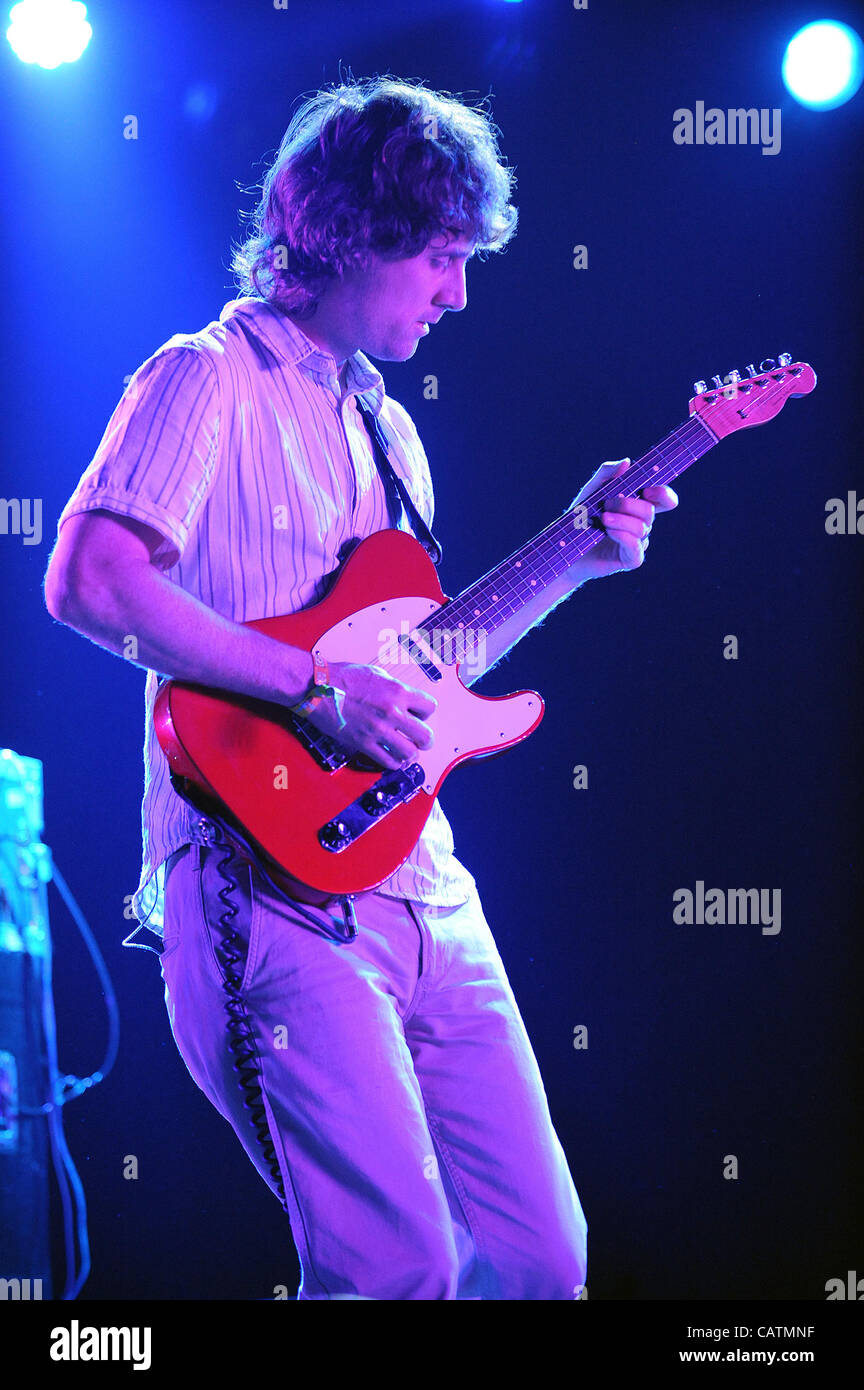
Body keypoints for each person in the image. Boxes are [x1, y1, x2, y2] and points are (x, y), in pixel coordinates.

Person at [43, 76, 677, 1300]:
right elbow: (92, 580)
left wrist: (580, 554)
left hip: (426, 882)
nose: (458, 291)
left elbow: (423, 673)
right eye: (441, 255)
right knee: (395, 1268)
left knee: (545, 1262)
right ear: (346, 230)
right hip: (263, 883)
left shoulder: (392, 431)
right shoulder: (204, 375)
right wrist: (316, 682)